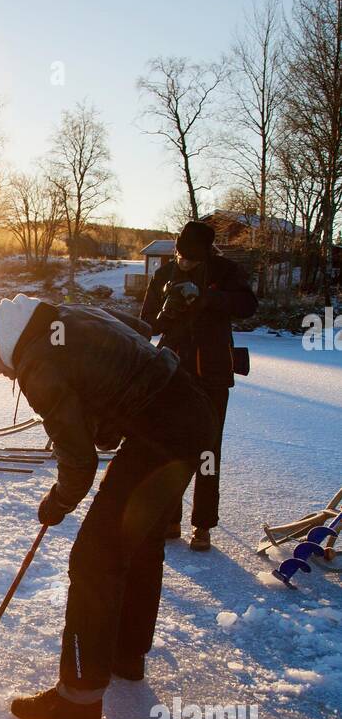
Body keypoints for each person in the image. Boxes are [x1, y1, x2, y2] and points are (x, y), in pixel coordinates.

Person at [0, 293, 219, 719]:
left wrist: (57, 503)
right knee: (140, 539)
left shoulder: (37, 362)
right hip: (187, 415)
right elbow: (139, 331)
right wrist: (106, 407)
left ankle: (79, 695)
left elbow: (79, 463)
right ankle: (125, 655)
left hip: (165, 434)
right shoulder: (61, 315)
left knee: (94, 557)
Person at [140, 220, 257, 551]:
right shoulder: (164, 274)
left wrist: (207, 298)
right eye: (180, 255)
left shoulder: (226, 271)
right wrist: (166, 311)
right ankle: (171, 518)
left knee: (207, 449)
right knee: (169, 446)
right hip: (173, 372)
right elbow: (147, 321)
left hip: (214, 373)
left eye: (191, 258)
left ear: (206, 254)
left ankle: (203, 525)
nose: (184, 263)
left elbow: (248, 306)